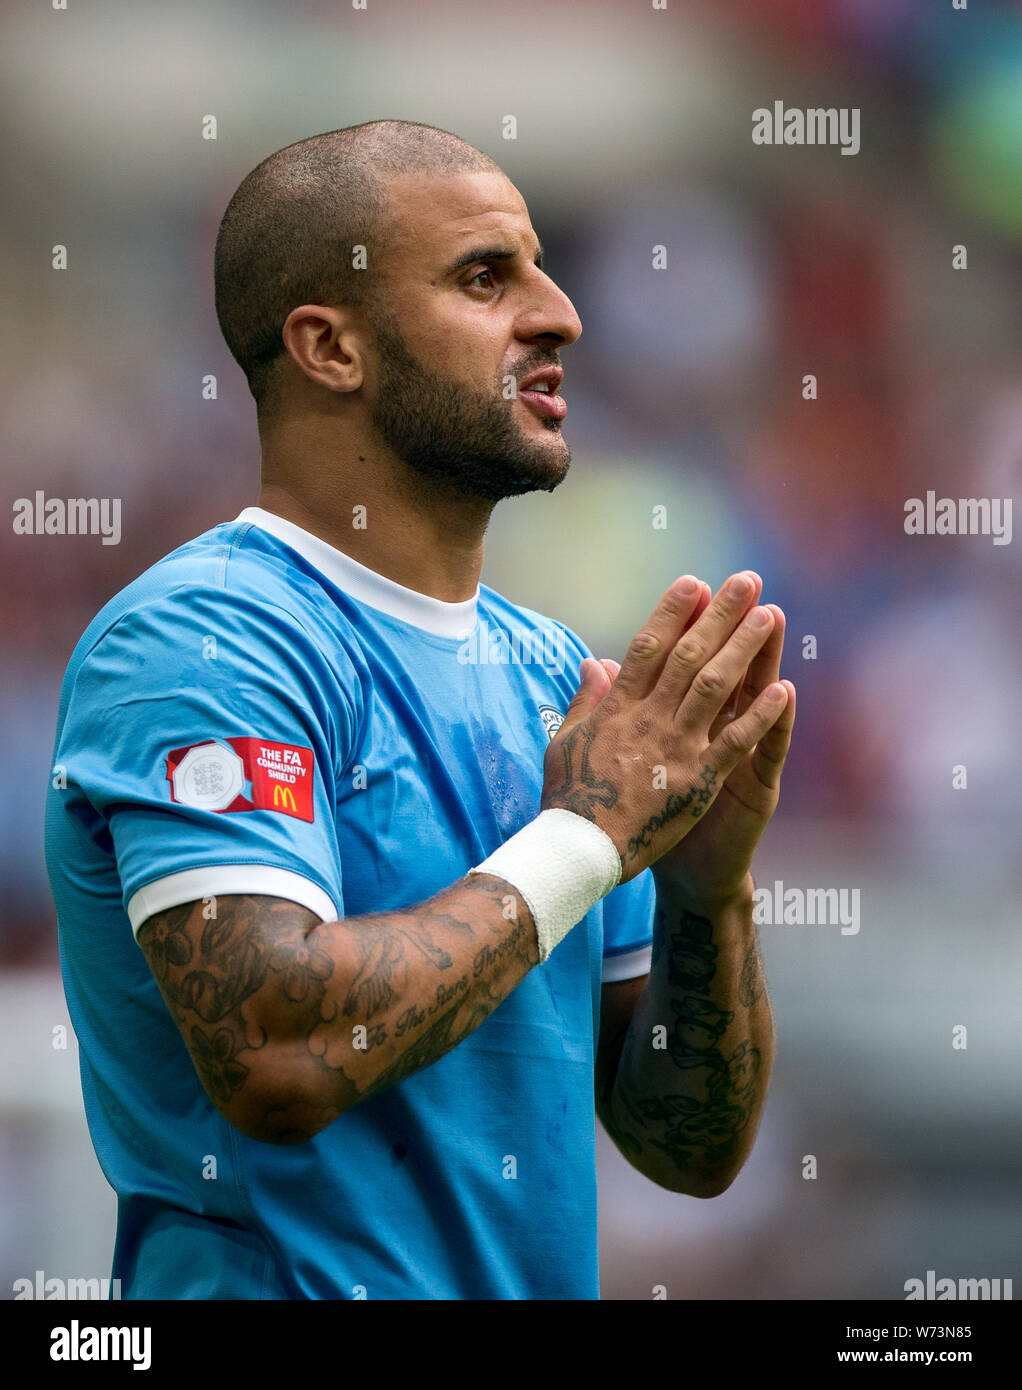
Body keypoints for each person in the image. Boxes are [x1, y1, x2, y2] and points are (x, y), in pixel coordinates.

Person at [44, 120, 795, 1300]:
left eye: (541, 267)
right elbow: (276, 1054)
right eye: (485, 277)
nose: (560, 314)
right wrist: (587, 838)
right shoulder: (207, 637)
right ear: (328, 346)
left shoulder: (559, 679)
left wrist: (709, 887)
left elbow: (684, 1148)